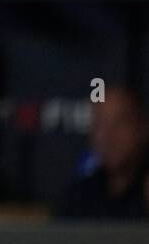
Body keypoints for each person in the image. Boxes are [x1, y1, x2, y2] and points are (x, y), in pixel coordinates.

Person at [55, 87, 149, 219]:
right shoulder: (78, 197)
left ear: (142, 127)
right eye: (100, 125)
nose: (108, 136)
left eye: (119, 123)